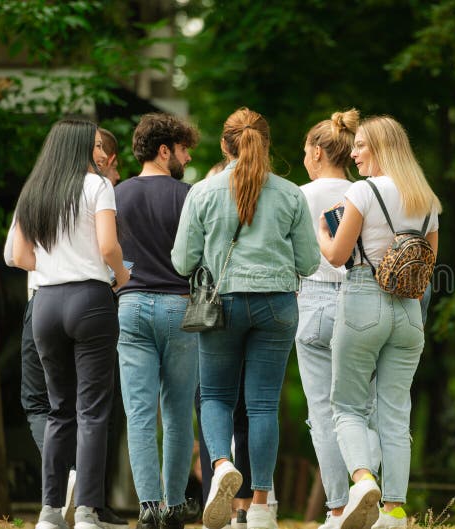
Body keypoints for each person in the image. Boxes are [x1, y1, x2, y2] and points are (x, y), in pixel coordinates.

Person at [172, 107, 319, 529]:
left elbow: (183, 260)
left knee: (216, 397)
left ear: (224, 145)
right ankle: (258, 507)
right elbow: (309, 262)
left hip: (224, 303)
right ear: (266, 144)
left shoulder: (203, 193)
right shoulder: (291, 194)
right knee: (262, 405)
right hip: (276, 307)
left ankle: (220, 465)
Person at [317, 116, 441, 529]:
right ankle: (395, 511)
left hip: (363, 301)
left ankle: (363, 479)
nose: (354, 153)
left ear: (384, 148)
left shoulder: (363, 191)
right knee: (395, 413)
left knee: (348, 406)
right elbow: (427, 266)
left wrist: (322, 229)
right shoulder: (427, 199)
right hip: (409, 312)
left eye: (362, 146)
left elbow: (336, 255)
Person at [4, 129, 129, 529]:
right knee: (92, 411)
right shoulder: (96, 186)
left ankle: (50, 512)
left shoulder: (34, 190)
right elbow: (108, 246)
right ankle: (89, 512)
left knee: (58, 410)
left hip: (45, 303)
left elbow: (19, 255)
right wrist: (122, 275)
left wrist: (55, 268)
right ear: (81, 149)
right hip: (90, 300)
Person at [114, 113, 200, 529]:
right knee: (179, 413)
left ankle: (148, 506)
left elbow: (107, 251)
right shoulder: (189, 196)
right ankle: (175, 506)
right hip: (179, 308)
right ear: (164, 150)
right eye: (181, 150)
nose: (184, 158)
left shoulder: (117, 194)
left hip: (131, 307)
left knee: (140, 413)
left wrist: (124, 281)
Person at [294, 109, 377, 529]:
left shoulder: (299, 196)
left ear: (317, 152)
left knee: (323, 412)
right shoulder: (365, 193)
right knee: (363, 408)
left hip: (313, 302)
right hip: (361, 302)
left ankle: (338, 507)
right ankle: (373, 488)